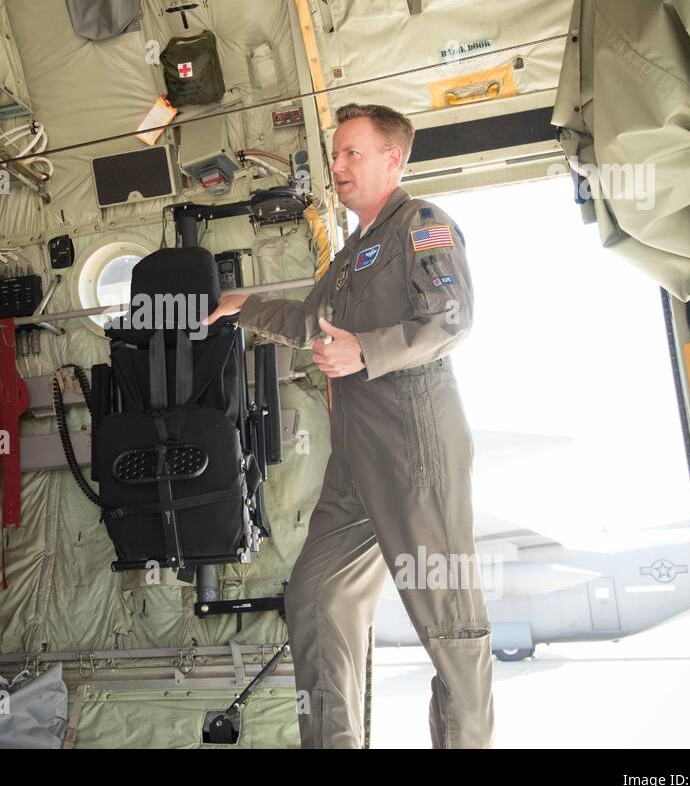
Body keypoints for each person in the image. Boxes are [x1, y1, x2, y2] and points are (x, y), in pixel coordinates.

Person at [203, 103, 494, 748]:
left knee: (449, 628)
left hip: (415, 449)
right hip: (355, 464)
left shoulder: (422, 226)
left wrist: (366, 351)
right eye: (334, 155)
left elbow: (451, 318)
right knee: (314, 597)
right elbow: (311, 323)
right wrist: (242, 306)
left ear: (394, 158)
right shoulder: (353, 256)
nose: (336, 167)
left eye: (350, 153)